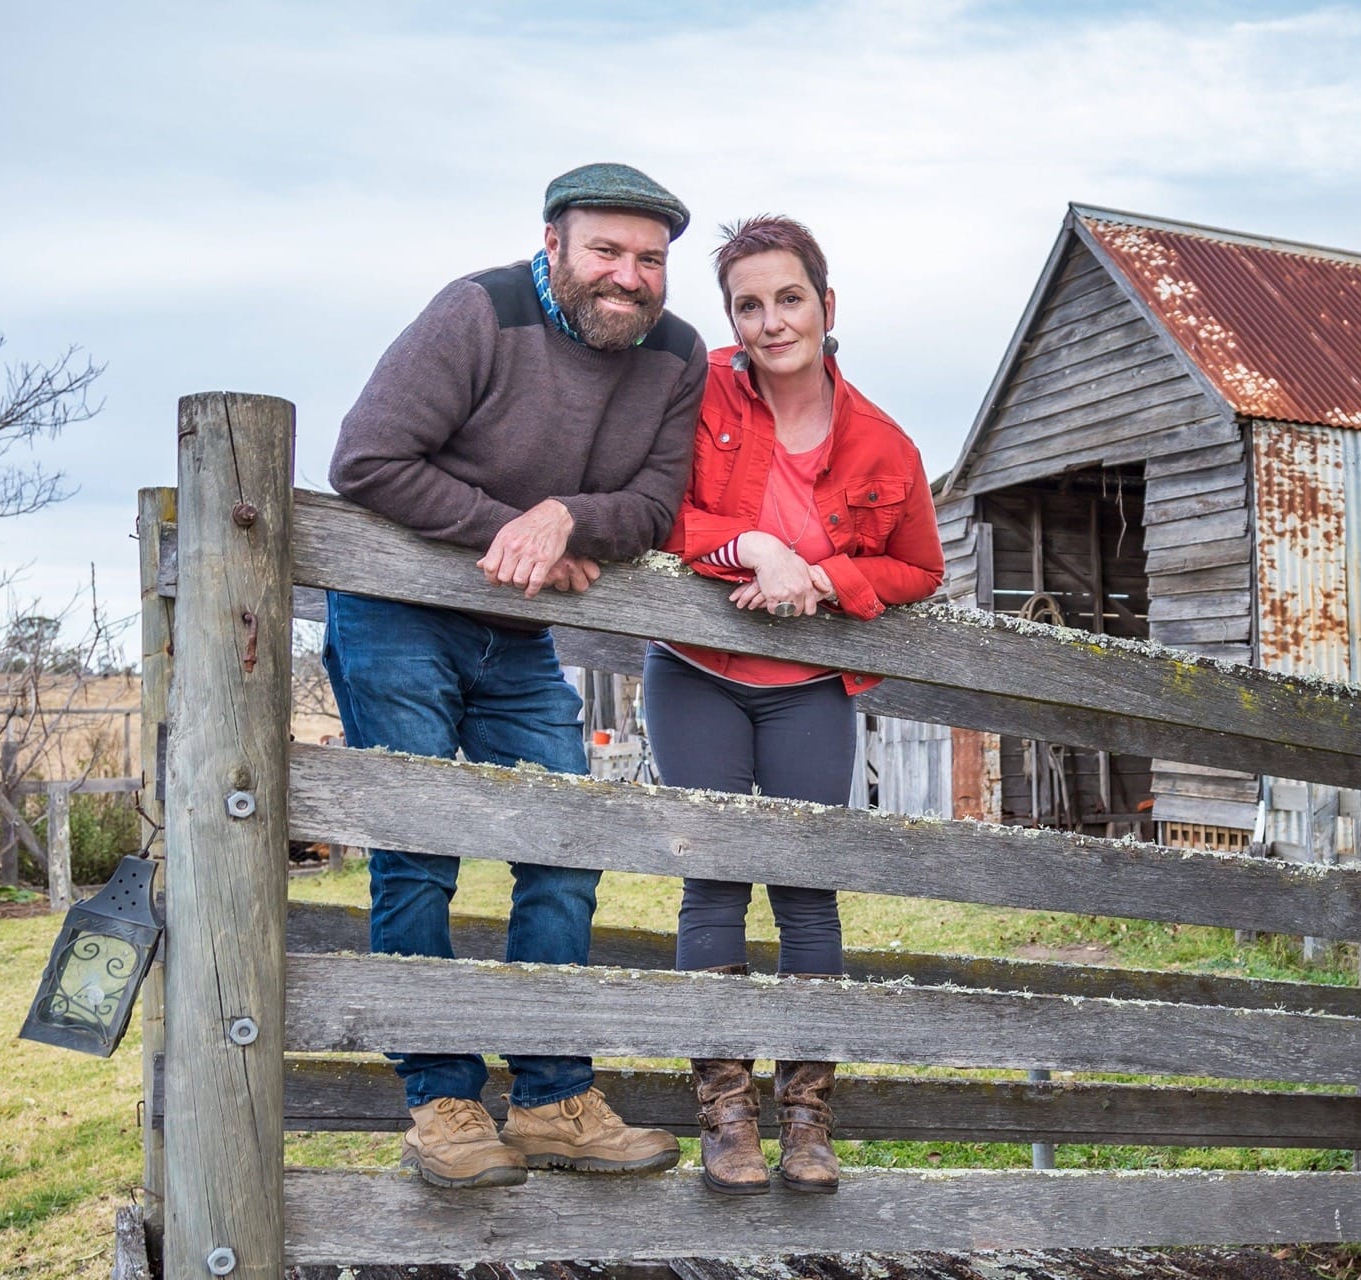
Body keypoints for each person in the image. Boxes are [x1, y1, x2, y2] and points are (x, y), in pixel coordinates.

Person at [323, 163, 706, 1189]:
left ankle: (550, 1098)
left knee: (565, 845)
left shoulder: (676, 354)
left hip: (519, 634)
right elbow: (367, 460)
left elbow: (654, 506)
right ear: (554, 244)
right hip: (396, 615)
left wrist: (565, 517)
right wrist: (513, 531)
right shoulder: (477, 314)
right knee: (419, 853)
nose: (629, 275)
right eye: (606, 250)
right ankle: (443, 1103)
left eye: (650, 259)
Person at [648, 215, 944, 1196]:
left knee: (809, 890)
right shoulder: (695, 394)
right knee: (715, 883)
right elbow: (663, 511)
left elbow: (919, 568)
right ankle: (726, 1113)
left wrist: (826, 577)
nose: (771, 321)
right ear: (730, 317)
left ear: (826, 304)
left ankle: (809, 1119)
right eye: (748, 305)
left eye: (789, 298)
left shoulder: (884, 444)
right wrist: (756, 547)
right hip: (696, 669)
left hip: (808, 688)